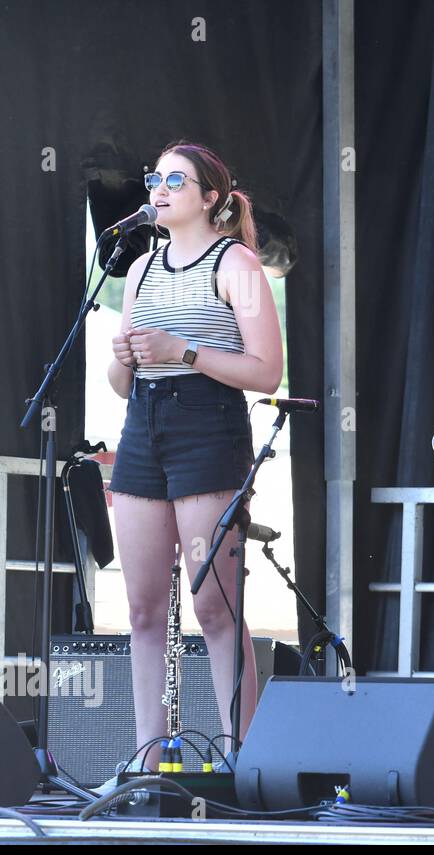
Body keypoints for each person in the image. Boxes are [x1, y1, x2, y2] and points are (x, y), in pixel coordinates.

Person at [102, 141, 282, 782]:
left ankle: (243, 760)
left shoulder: (236, 263)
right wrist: (124, 354)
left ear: (211, 197)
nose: (159, 187)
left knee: (213, 606)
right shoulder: (142, 266)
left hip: (207, 425)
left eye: (176, 179)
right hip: (143, 424)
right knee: (144, 608)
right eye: (155, 177)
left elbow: (266, 371)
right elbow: (121, 384)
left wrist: (185, 351)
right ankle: (146, 756)